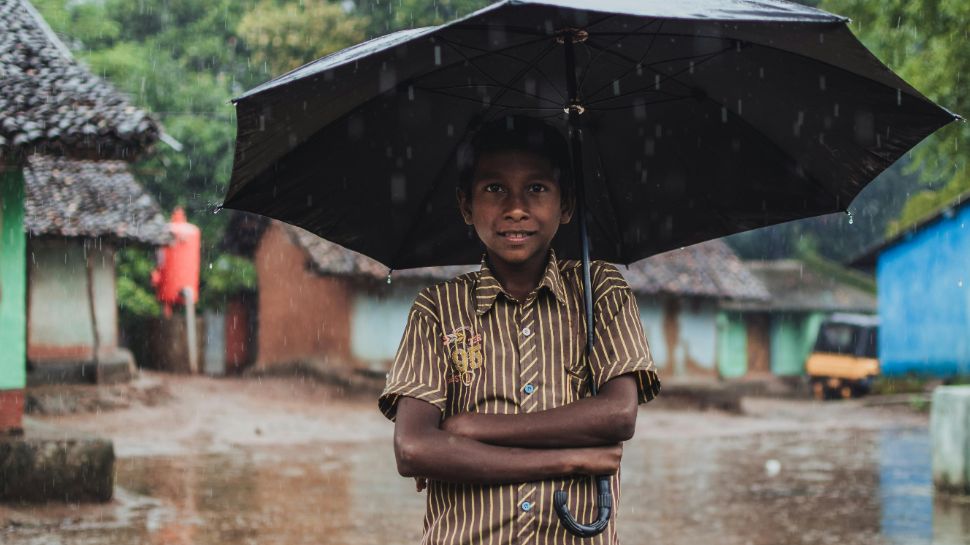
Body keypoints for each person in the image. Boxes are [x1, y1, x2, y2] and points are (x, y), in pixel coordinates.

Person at [379, 115, 661, 545]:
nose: (515, 208)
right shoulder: (437, 309)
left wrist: (471, 427)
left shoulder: (599, 289)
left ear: (566, 205)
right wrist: (568, 459)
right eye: (494, 188)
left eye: (537, 188)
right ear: (465, 205)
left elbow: (619, 414)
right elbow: (413, 448)